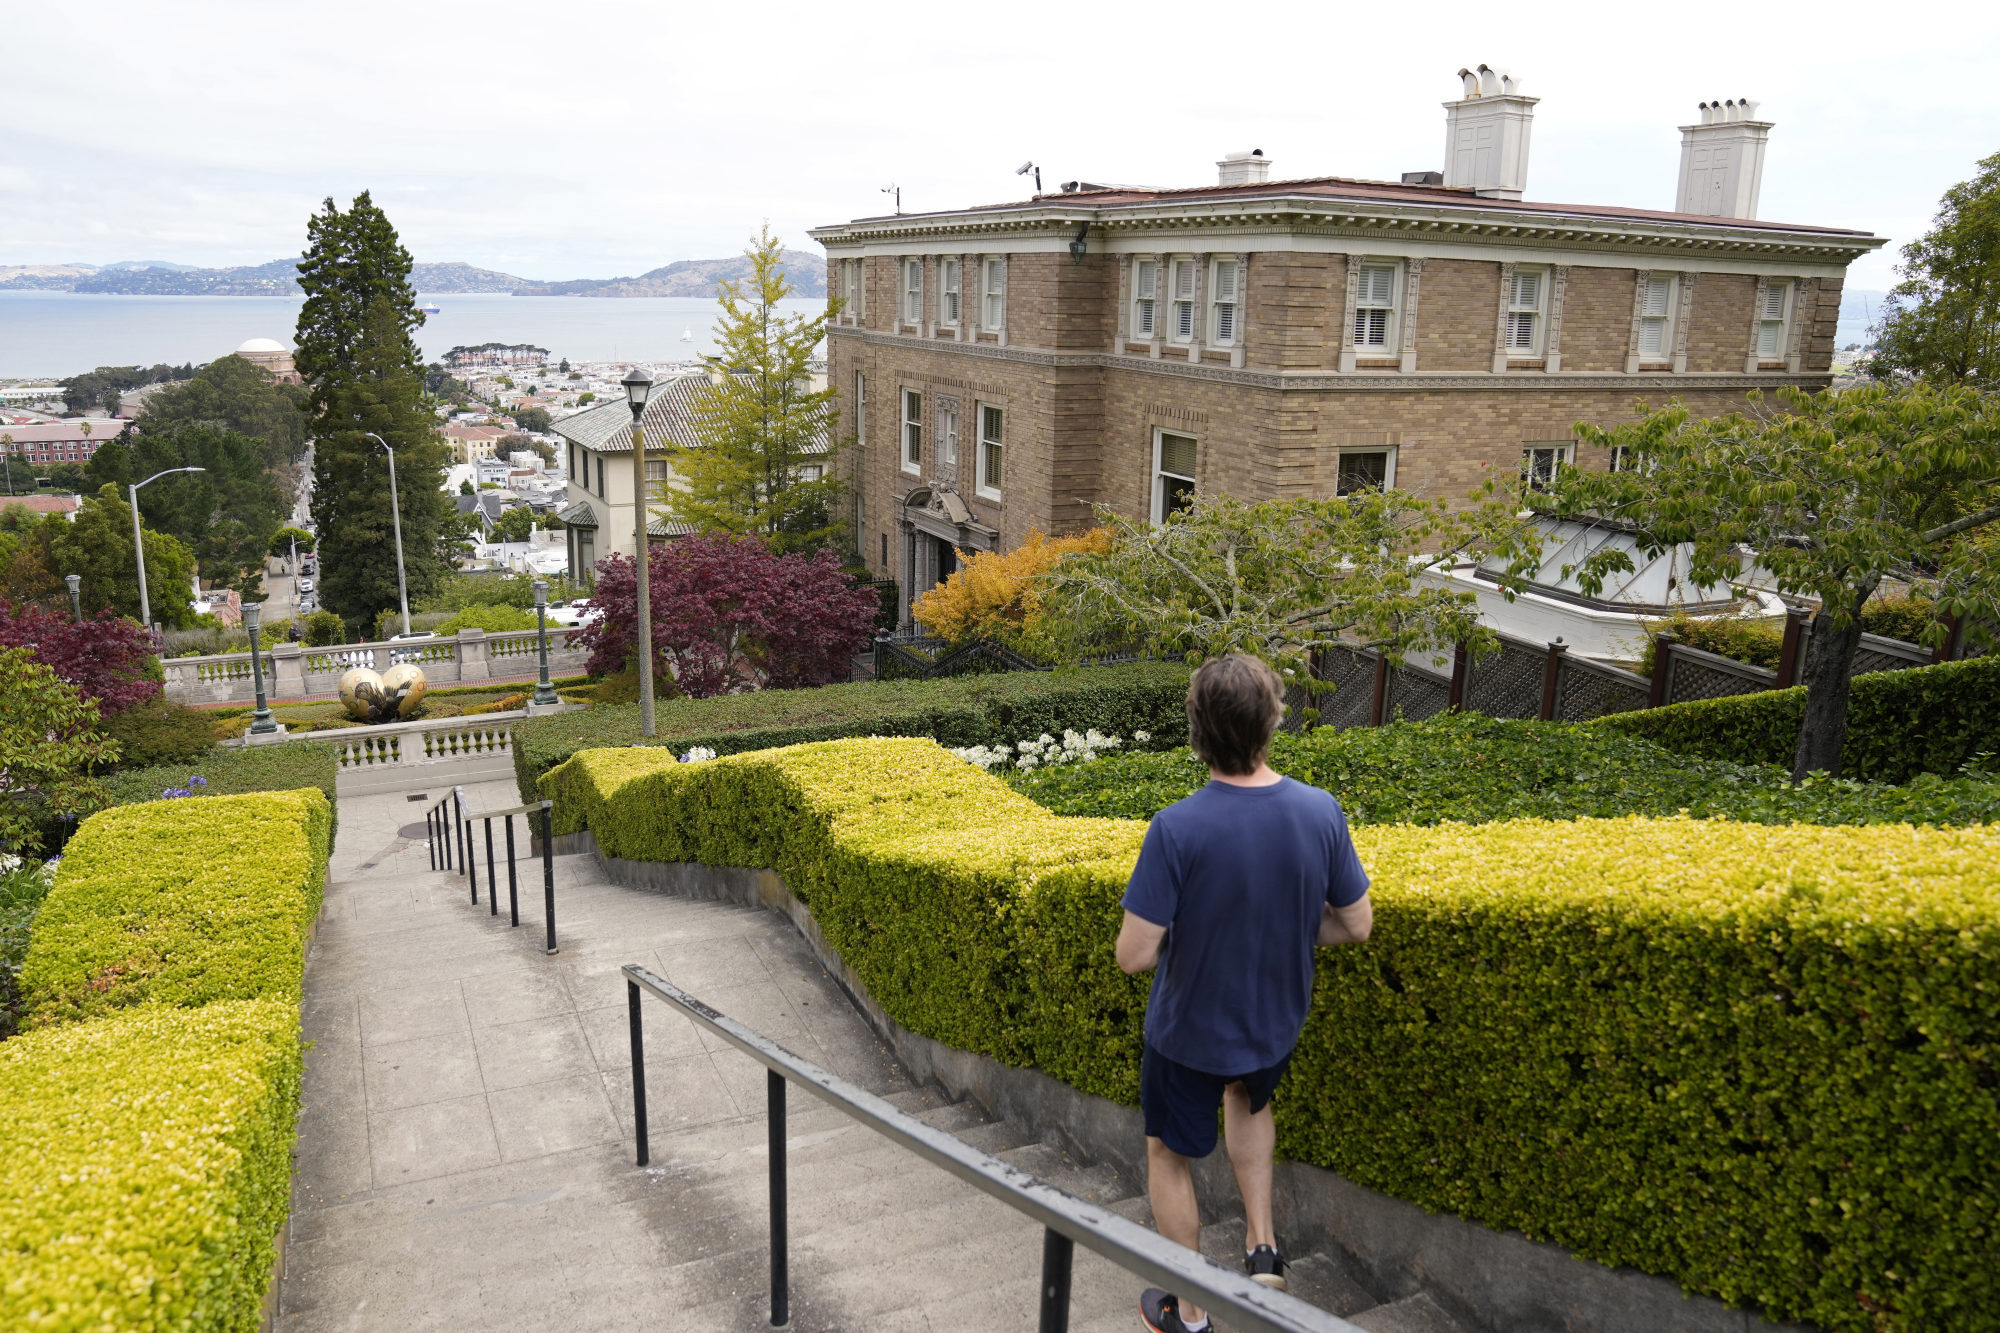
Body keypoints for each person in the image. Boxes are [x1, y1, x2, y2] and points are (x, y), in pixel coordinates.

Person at [1115, 654, 1373, 1333]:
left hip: (1188, 1035)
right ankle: (1262, 1245)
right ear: (1271, 721)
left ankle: (1191, 1311)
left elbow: (1133, 955)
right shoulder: (1320, 811)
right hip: (1272, 1026)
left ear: (1197, 730)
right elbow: (1356, 923)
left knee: (1168, 1156)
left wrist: (1195, 922)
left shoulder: (1177, 827)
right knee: (1250, 1095)